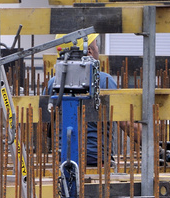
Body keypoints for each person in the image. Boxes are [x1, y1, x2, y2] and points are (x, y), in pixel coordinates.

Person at [46, 32, 140, 166]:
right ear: (89, 50)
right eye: (96, 45)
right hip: (97, 161)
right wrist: (154, 145)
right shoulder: (104, 80)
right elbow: (126, 124)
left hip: (64, 161)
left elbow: (46, 124)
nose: (97, 49)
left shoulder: (53, 83)